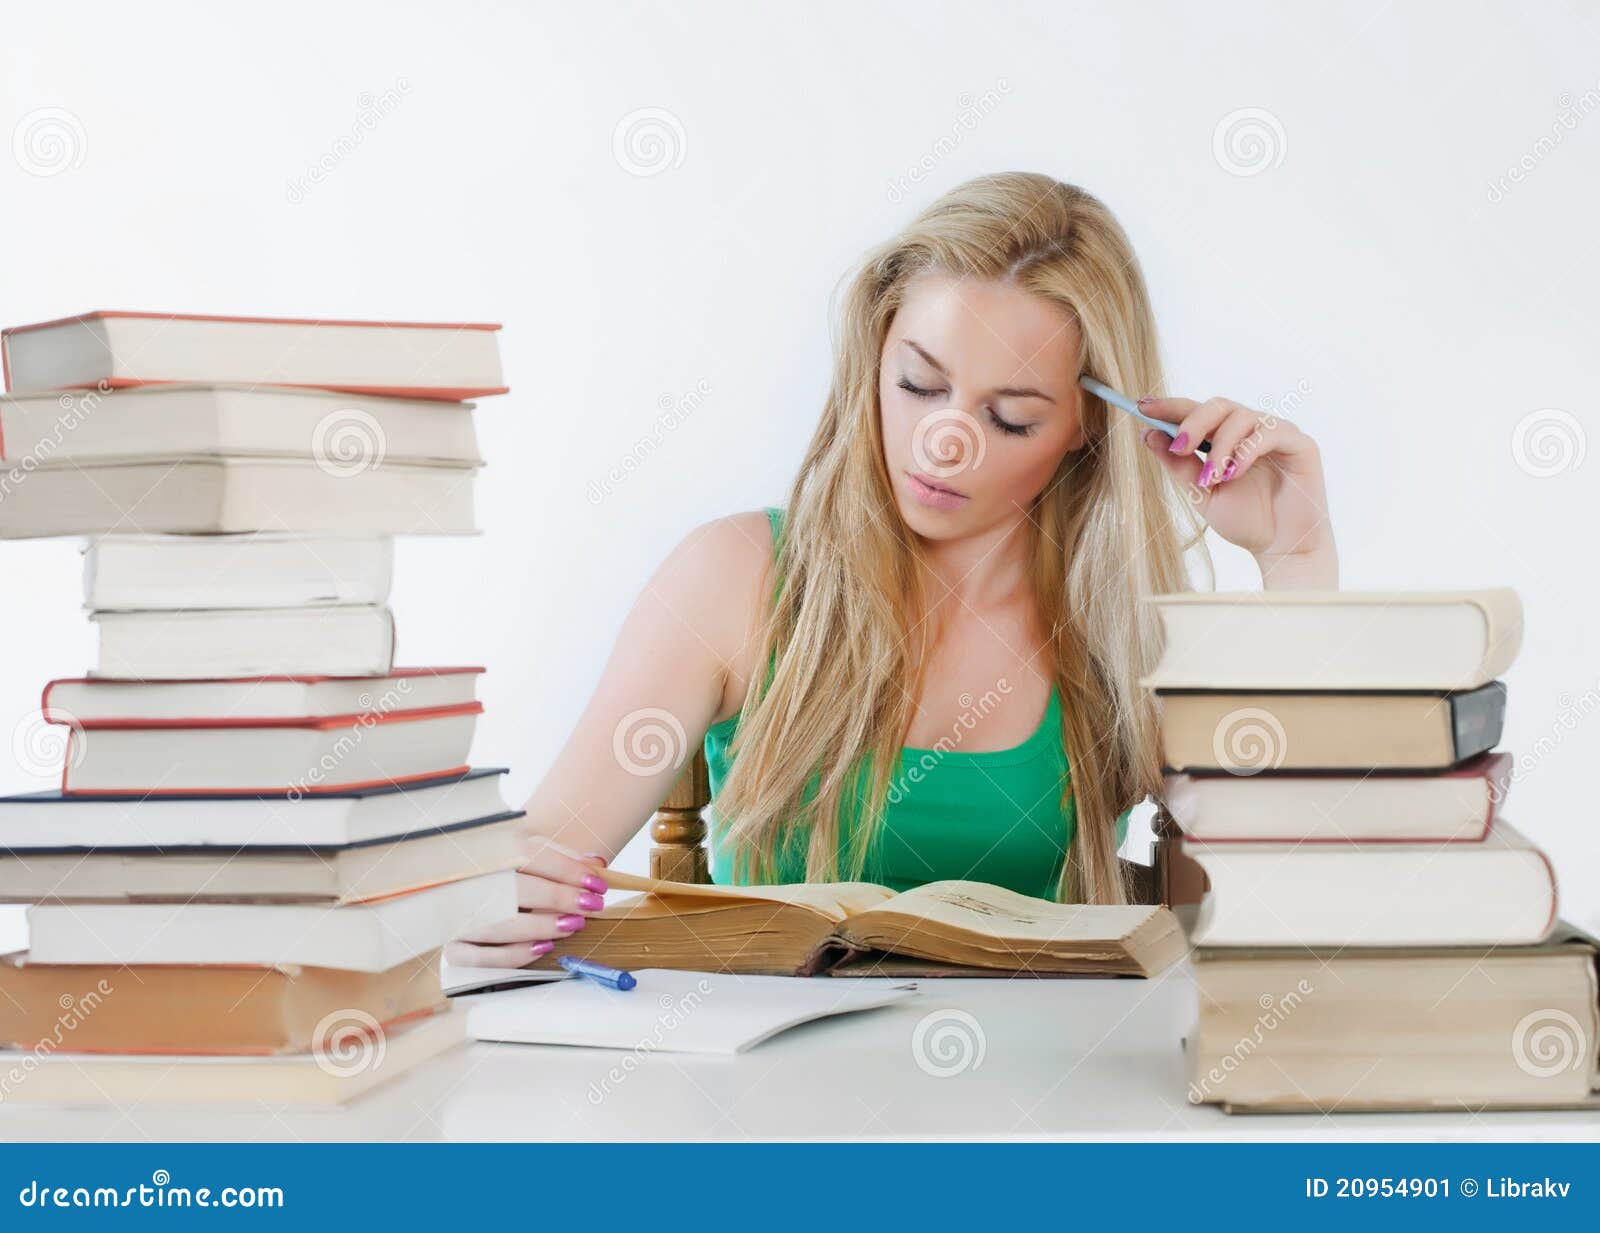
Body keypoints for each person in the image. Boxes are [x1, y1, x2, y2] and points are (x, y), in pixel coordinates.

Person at [446, 171, 1336, 968]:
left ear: (1087, 427)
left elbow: (1311, 877)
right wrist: (479, 898)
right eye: (918, 384)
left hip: (1040, 1105)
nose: (944, 443)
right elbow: (538, 863)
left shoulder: (1130, 629)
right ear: (874, 353)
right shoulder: (736, 576)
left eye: (1012, 417)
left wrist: (1293, 560)